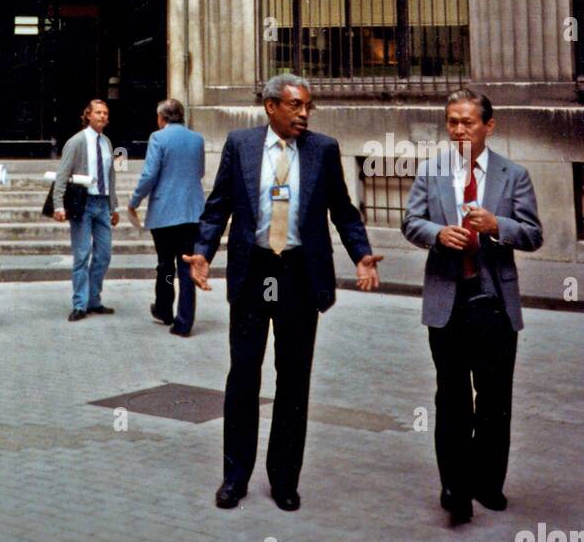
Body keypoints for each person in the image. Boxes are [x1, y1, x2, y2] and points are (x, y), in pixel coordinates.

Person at [184, 73, 383, 511]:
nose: (304, 114)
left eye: (308, 106)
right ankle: (235, 477)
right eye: (296, 105)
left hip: (298, 276)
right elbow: (218, 206)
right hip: (254, 273)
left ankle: (284, 480)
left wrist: (361, 255)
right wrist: (203, 252)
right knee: (243, 376)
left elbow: (343, 210)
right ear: (271, 106)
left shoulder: (322, 149)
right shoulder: (240, 145)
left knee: (293, 381)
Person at [402, 88, 543, 524]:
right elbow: (411, 221)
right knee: (452, 397)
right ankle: (454, 488)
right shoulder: (432, 171)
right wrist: (438, 234)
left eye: (468, 122)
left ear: (488, 126)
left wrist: (498, 225)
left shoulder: (513, 175)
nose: (459, 130)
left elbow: (534, 234)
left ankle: (488, 482)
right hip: (448, 298)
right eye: (452, 122)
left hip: (494, 301)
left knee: (495, 398)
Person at [128, 99, 205, 337]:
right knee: (187, 265)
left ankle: (164, 308)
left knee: (166, 264)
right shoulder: (197, 139)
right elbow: (200, 171)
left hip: (164, 212)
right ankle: (185, 321)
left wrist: (135, 201)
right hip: (191, 211)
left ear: (162, 118)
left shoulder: (158, 138)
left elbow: (150, 174)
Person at [53, 99, 119, 322]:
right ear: (88, 115)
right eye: (98, 112)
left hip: (102, 203)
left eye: (105, 113)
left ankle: (94, 299)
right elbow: (62, 174)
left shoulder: (107, 143)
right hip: (83, 203)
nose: (102, 116)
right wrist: (58, 204)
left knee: (104, 254)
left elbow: (110, 176)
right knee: (82, 254)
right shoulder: (76, 142)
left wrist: (114, 206)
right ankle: (80, 304)